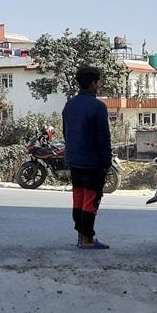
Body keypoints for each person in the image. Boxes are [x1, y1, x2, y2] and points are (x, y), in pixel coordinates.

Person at [62, 65, 112, 250]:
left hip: (74, 160)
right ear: (92, 83)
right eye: (97, 82)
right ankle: (87, 239)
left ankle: (80, 236)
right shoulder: (98, 107)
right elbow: (103, 138)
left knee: (78, 198)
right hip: (92, 162)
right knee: (91, 200)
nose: (98, 86)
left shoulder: (69, 105)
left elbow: (66, 133)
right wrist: (106, 162)